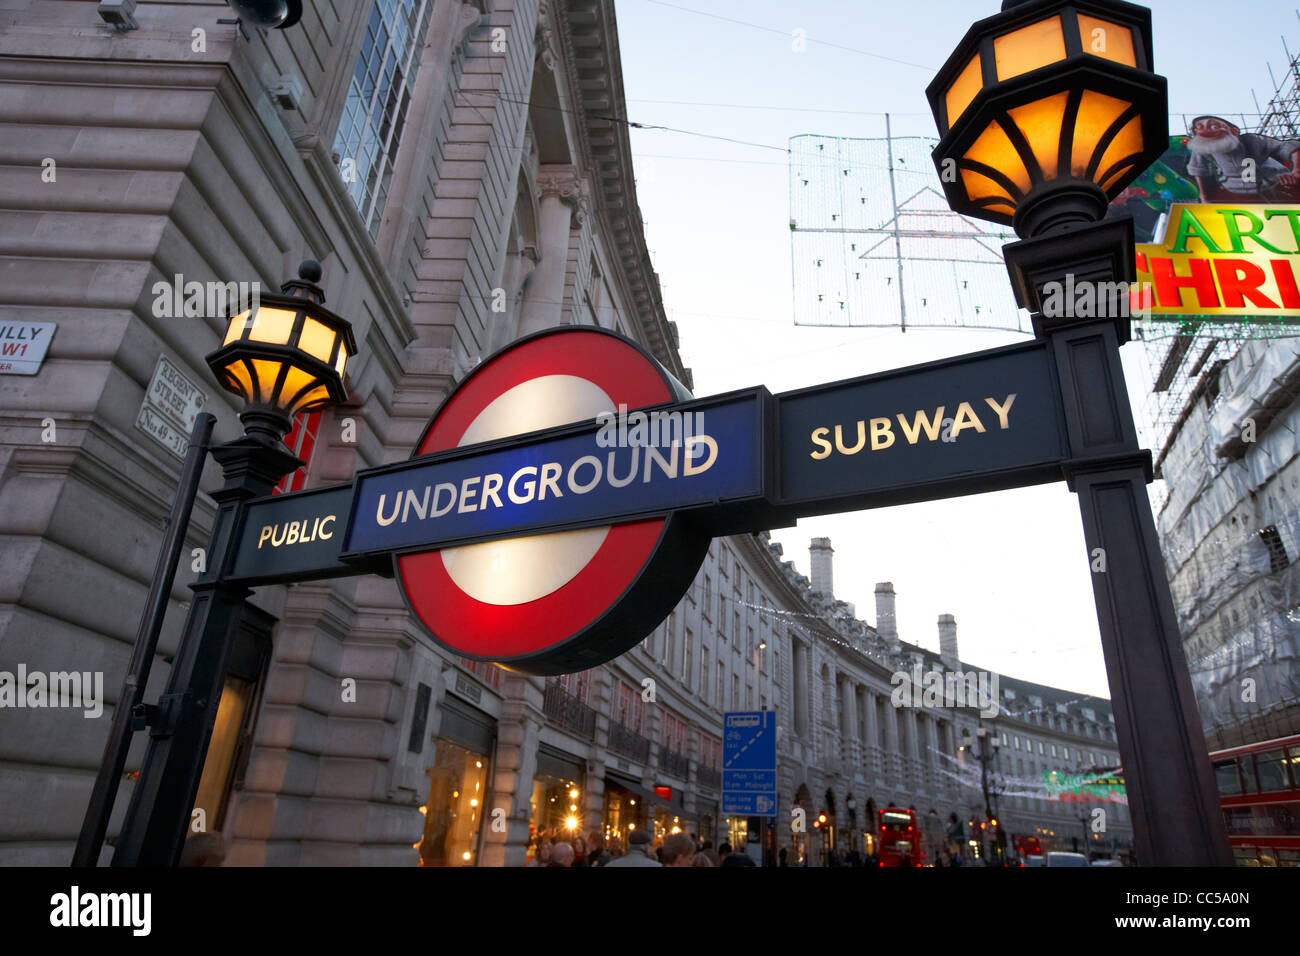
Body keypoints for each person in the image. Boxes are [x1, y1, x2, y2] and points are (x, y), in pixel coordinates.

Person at [1185, 115, 1300, 202]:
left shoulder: (1251, 141)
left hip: (1275, 186)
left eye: (1214, 126)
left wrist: (1296, 171)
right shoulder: (1202, 150)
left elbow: (1289, 146)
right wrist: (1205, 199)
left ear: (1234, 131)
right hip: (1237, 195)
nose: (1206, 131)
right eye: (1199, 127)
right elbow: (1199, 171)